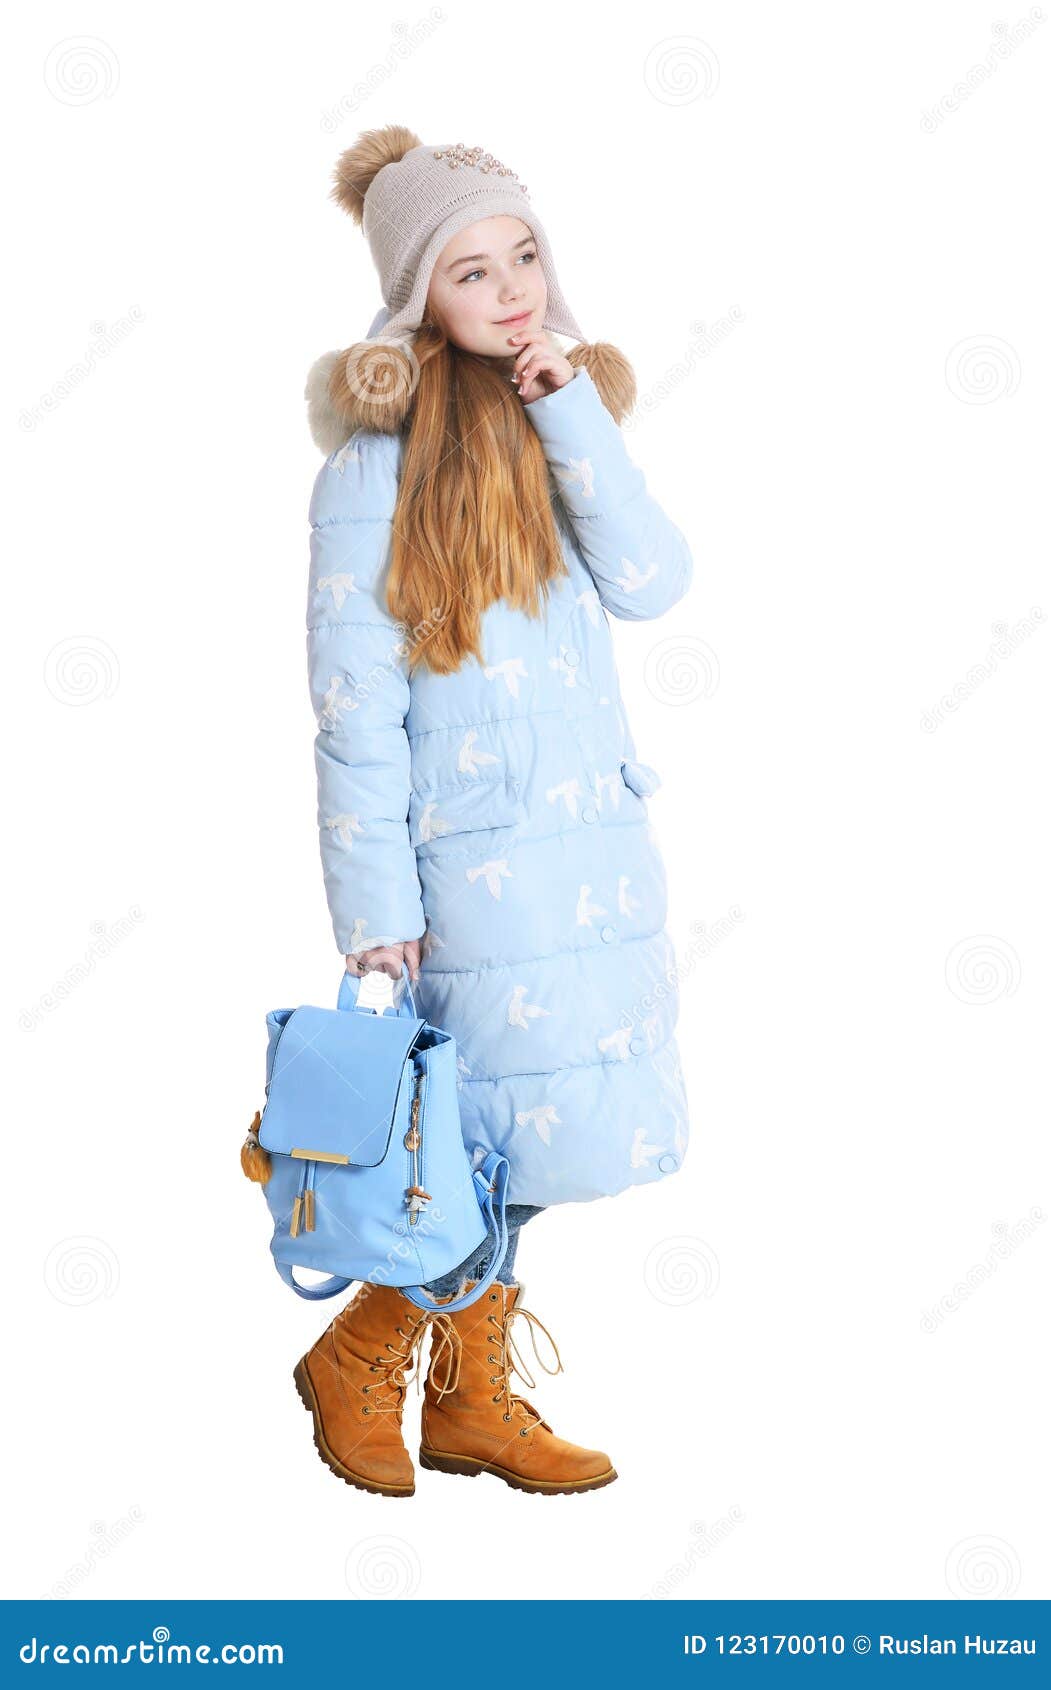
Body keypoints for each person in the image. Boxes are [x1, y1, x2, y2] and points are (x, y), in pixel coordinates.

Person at [293, 126, 693, 1497]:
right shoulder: (371, 473)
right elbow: (355, 709)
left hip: (585, 854)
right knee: (470, 1139)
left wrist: (572, 405)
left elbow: (650, 578)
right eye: (473, 269)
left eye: (525, 254)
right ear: (419, 298)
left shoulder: (555, 424)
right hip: (465, 875)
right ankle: (368, 1350)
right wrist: (377, 917)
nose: (514, 287)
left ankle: (464, 1396)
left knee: (526, 1136)